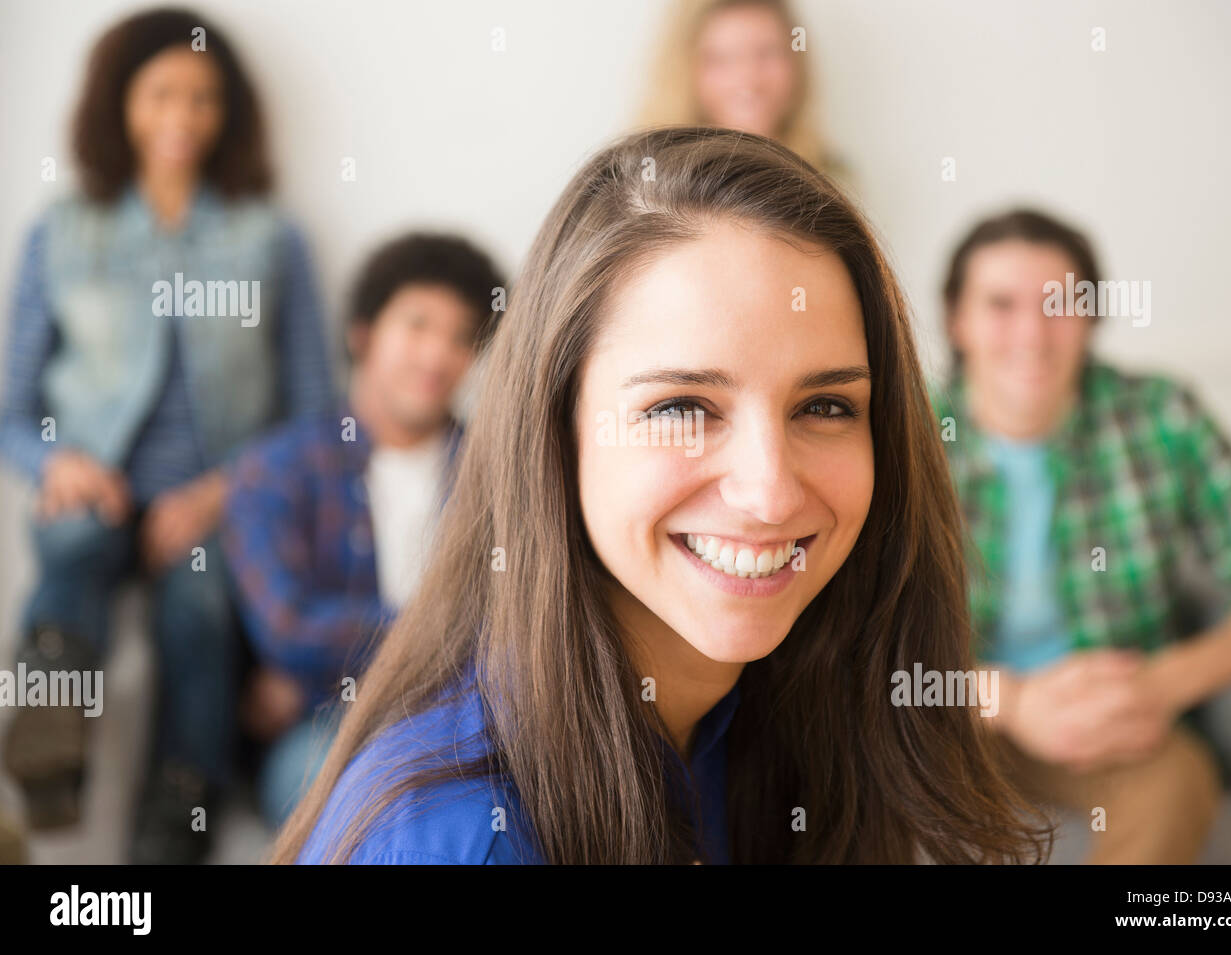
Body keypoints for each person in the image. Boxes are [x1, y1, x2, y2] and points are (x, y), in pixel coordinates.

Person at [272, 126, 1049, 865]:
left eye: (824, 406)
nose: (770, 492)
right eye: (682, 407)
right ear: (555, 427)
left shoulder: (760, 719)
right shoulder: (465, 836)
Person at [0, 7, 334, 863]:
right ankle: (47, 736)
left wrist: (221, 492)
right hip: (95, 485)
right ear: (121, 104)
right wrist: (56, 459)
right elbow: (12, 406)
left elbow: (312, 410)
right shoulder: (64, 230)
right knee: (73, 543)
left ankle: (176, 815)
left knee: (198, 604)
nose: (183, 118)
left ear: (229, 113)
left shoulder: (269, 236)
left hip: (215, 493)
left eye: (203, 98)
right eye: (162, 96)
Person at [932, 208, 1231, 863]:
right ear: (957, 319)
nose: (1031, 333)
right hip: (951, 719)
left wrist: (1163, 682)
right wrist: (1012, 701)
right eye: (1000, 304)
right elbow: (848, 640)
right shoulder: (903, 435)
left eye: (1059, 305)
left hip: (1119, 722)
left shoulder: (1162, 416)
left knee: (1175, 780)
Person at [221, 232, 505, 829]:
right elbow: (288, 628)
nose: (437, 356)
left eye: (460, 338)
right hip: (325, 728)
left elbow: (518, 620)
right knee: (347, 795)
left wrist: (320, 671)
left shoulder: (500, 471)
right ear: (363, 334)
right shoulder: (279, 466)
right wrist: (444, 631)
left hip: (472, 717)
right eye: (418, 326)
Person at [637, 0, 852, 186]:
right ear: (683, 72)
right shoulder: (645, 179)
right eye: (722, 58)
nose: (749, 78)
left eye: (768, 53)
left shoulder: (833, 177)